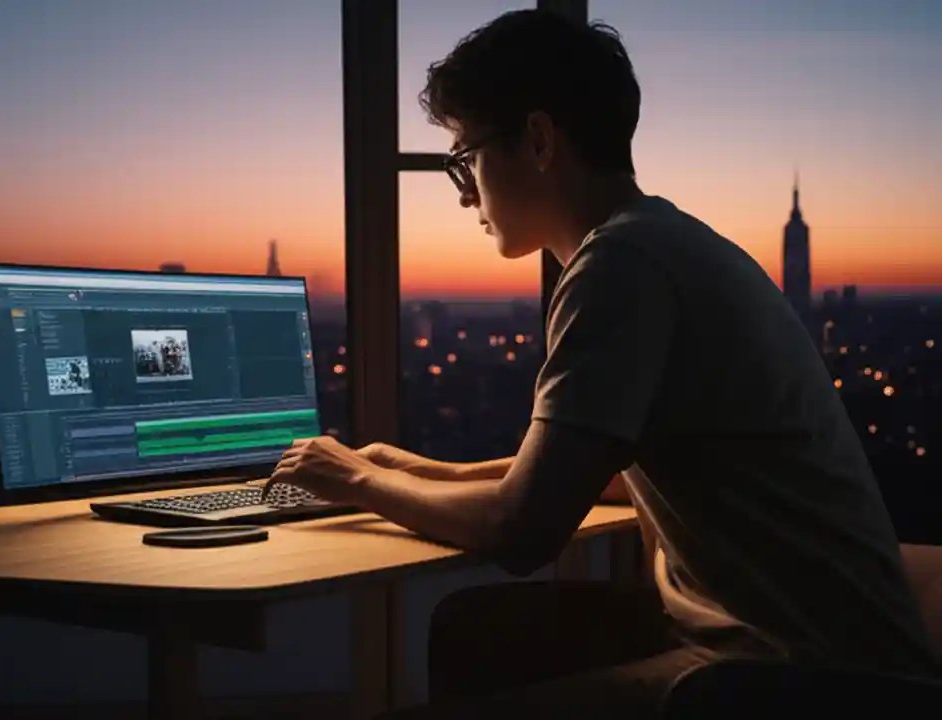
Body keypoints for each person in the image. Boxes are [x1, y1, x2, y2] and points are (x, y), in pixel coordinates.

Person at [265, 9, 937, 718]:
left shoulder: (620, 265)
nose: (464, 191)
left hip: (786, 677)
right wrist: (417, 470)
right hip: (781, 643)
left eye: (465, 157)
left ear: (538, 139)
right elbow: (605, 472)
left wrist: (359, 480)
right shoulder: (663, 242)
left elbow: (523, 530)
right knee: (473, 630)